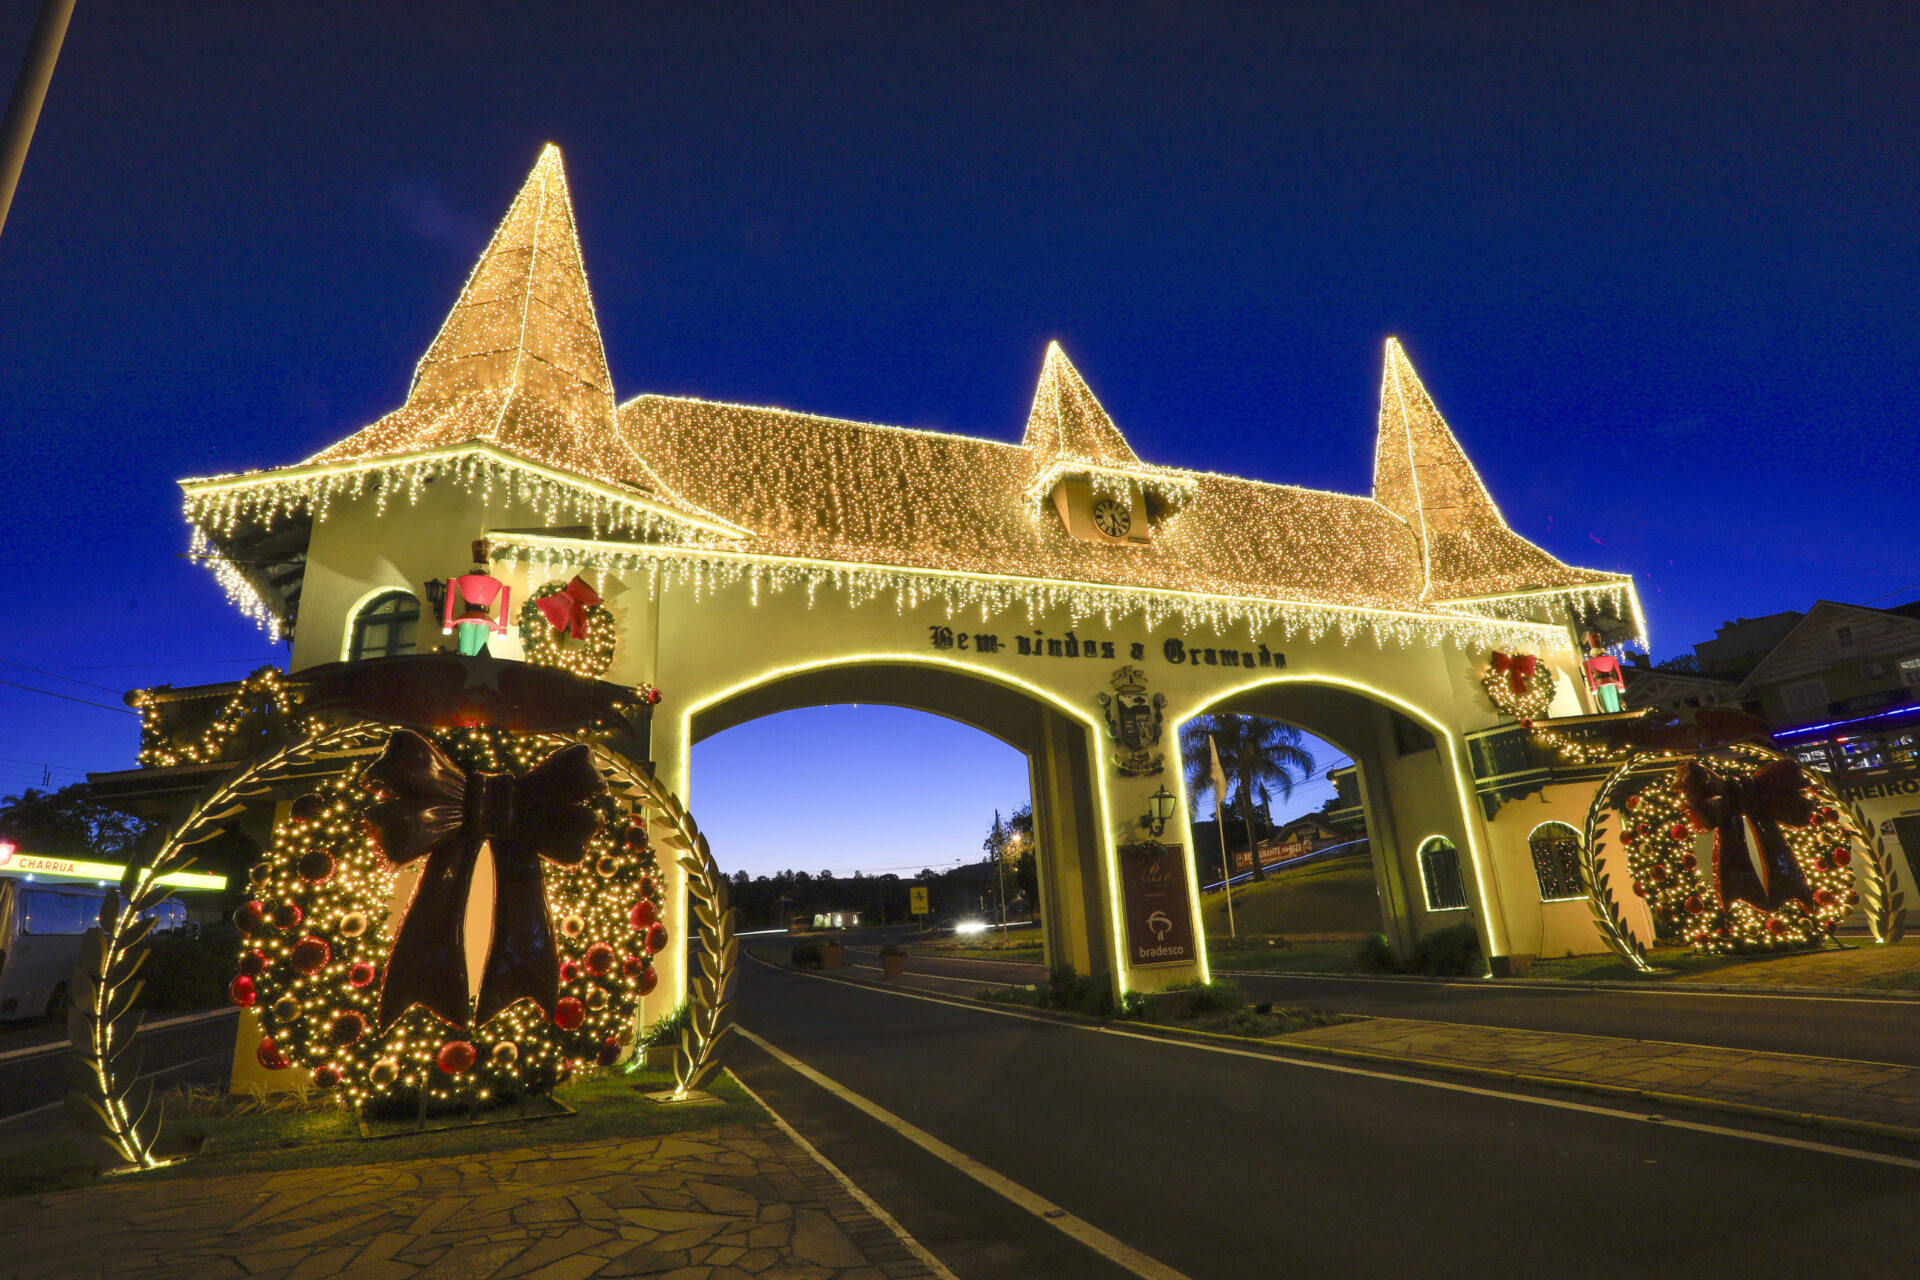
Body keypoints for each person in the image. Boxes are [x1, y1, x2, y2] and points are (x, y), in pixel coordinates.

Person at [443, 539, 510, 657]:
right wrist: (447, 623)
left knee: (480, 641)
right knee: (467, 634)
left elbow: (506, 592)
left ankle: (475, 660)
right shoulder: (466, 581)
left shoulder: (491, 583)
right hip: (469, 613)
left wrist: (502, 629)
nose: (481, 569)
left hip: (483, 615)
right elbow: (451, 585)